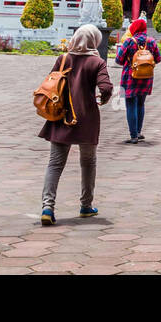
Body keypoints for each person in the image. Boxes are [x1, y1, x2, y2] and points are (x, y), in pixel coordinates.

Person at [38, 23, 112, 226]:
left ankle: (47, 207)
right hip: (86, 119)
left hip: (60, 116)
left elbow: (49, 84)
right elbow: (106, 87)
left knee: (55, 164)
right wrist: (103, 98)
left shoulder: (63, 59)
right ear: (94, 41)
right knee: (88, 162)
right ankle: (86, 206)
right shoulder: (97, 62)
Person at [115, 16, 161, 144]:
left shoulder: (129, 42)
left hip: (130, 77)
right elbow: (158, 59)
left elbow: (118, 60)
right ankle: (139, 132)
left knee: (130, 105)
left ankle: (133, 135)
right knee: (141, 104)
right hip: (146, 77)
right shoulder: (151, 42)